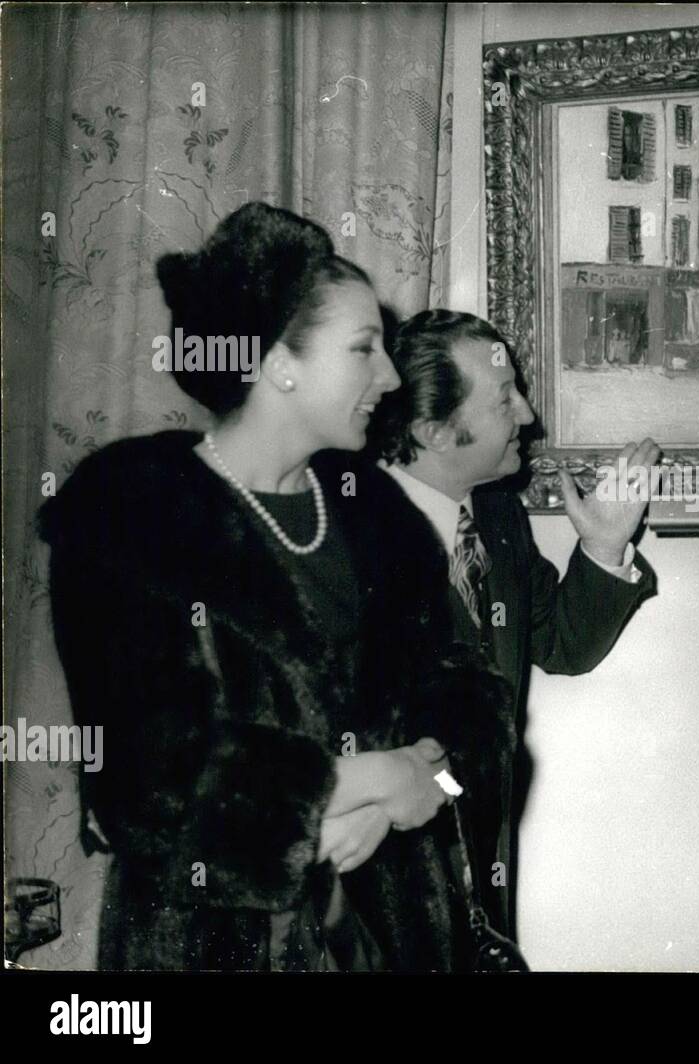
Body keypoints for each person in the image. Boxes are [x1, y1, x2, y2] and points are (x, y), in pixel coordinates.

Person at [38, 203, 512, 971]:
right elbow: (137, 779)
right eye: (364, 349)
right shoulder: (130, 513)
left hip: (396, 938)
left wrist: (420, 792)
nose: (389, 378)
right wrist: (362, 782)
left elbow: (472, 701)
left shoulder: (375, 512)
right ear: (277, 364)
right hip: (211, 947)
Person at [366, 309, 659, 936]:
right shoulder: (348, 538)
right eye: (505, 398)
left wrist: (604, 548)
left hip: (479, 895)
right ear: (436, 430)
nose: (528, 415)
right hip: (381, 909)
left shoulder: (496, 515)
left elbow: (558, 643)